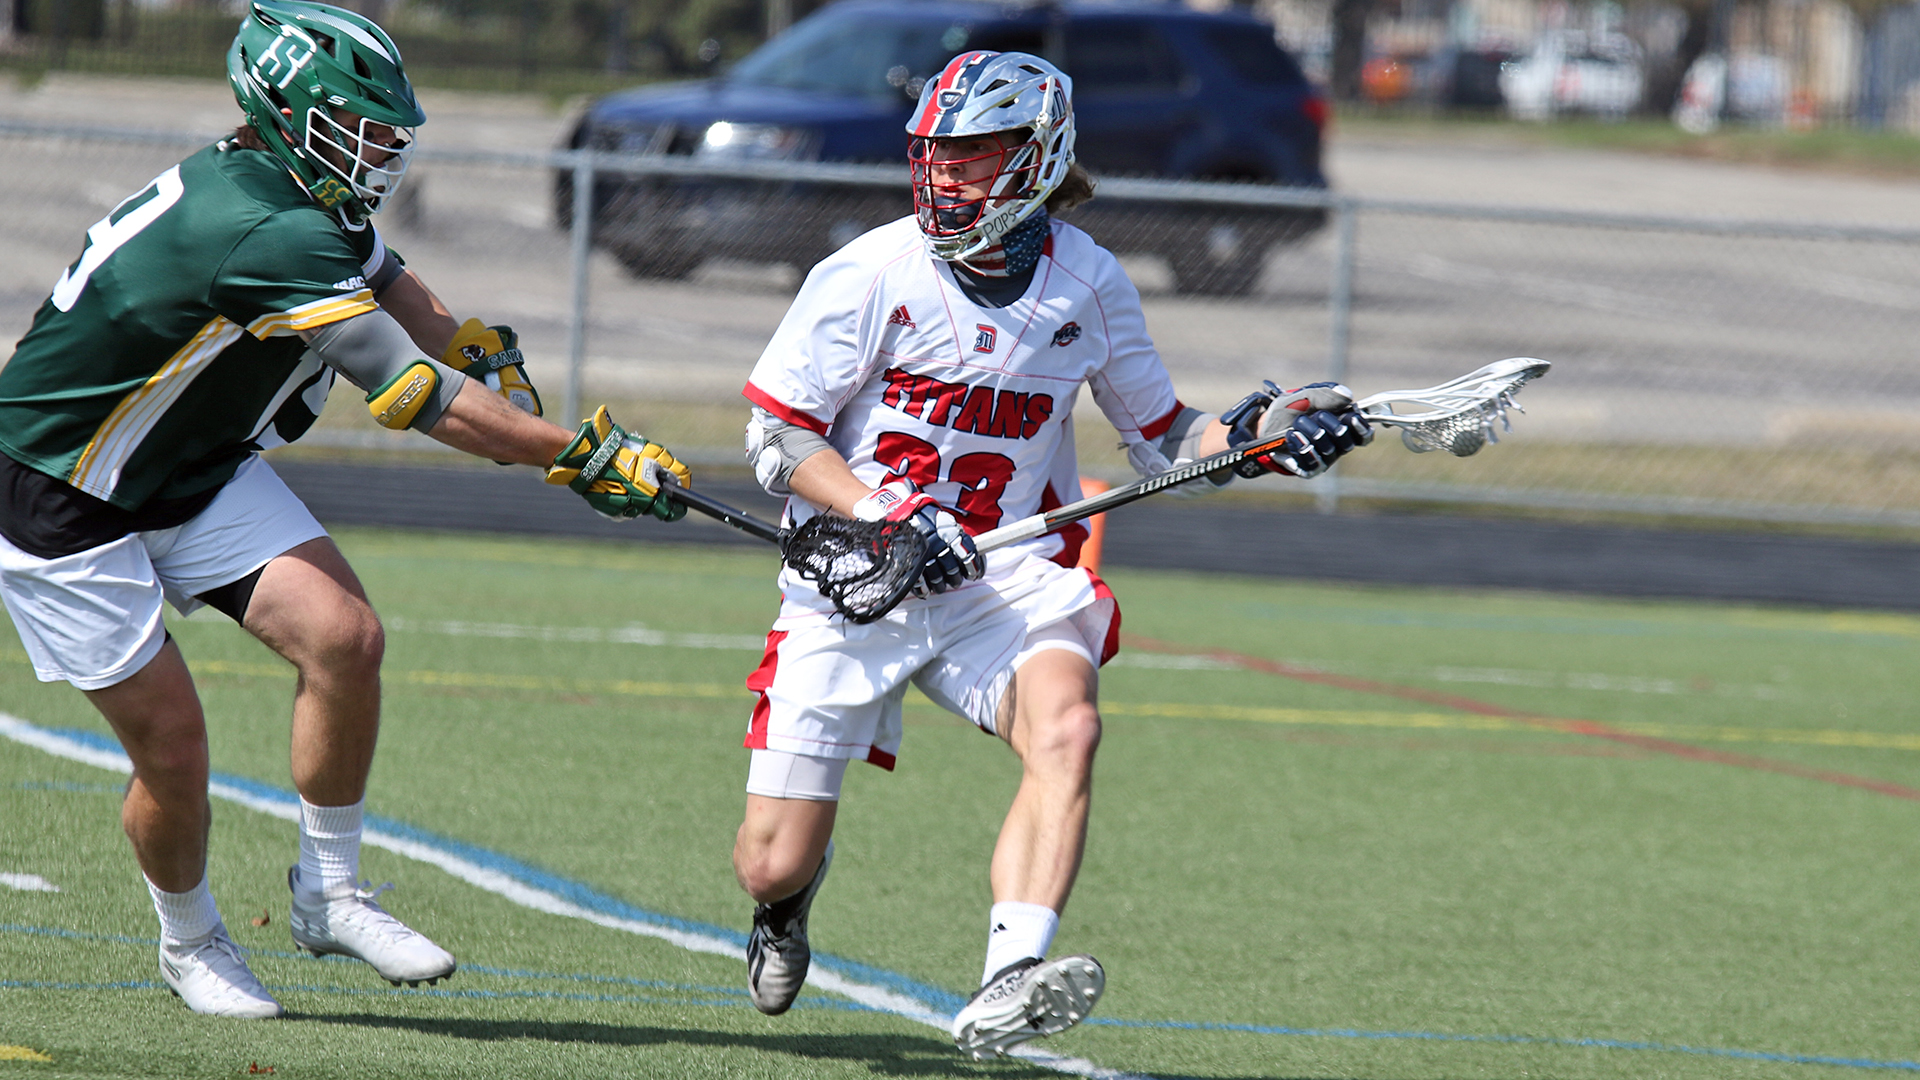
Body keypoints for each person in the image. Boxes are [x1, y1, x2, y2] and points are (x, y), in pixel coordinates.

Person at [0, 0, 691, 1019]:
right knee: (176, 752)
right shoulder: (264, 226)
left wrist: (473, 343)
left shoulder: (291, 193)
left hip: (186, 466)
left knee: (345, 639)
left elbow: (397, 287)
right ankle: (189, 940)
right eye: (361, 125)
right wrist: (583, 455)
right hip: (68, 491)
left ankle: (330, 891)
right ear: (288, 113)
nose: (380, 148)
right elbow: (416, 398)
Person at [730, 50, 1371, 1059]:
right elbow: (780, 439)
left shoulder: (1091, 283)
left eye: (974, 157)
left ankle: (1009, 978)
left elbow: (1165, 435)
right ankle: (787, 903)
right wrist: (886, 511)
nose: (945, 176)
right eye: (936, 154)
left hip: (1001, 577)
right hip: (858, 576)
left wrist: (1266, 436)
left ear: (1038, 159)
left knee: (1068, 728)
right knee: (768, 861)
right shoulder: (867, 274)